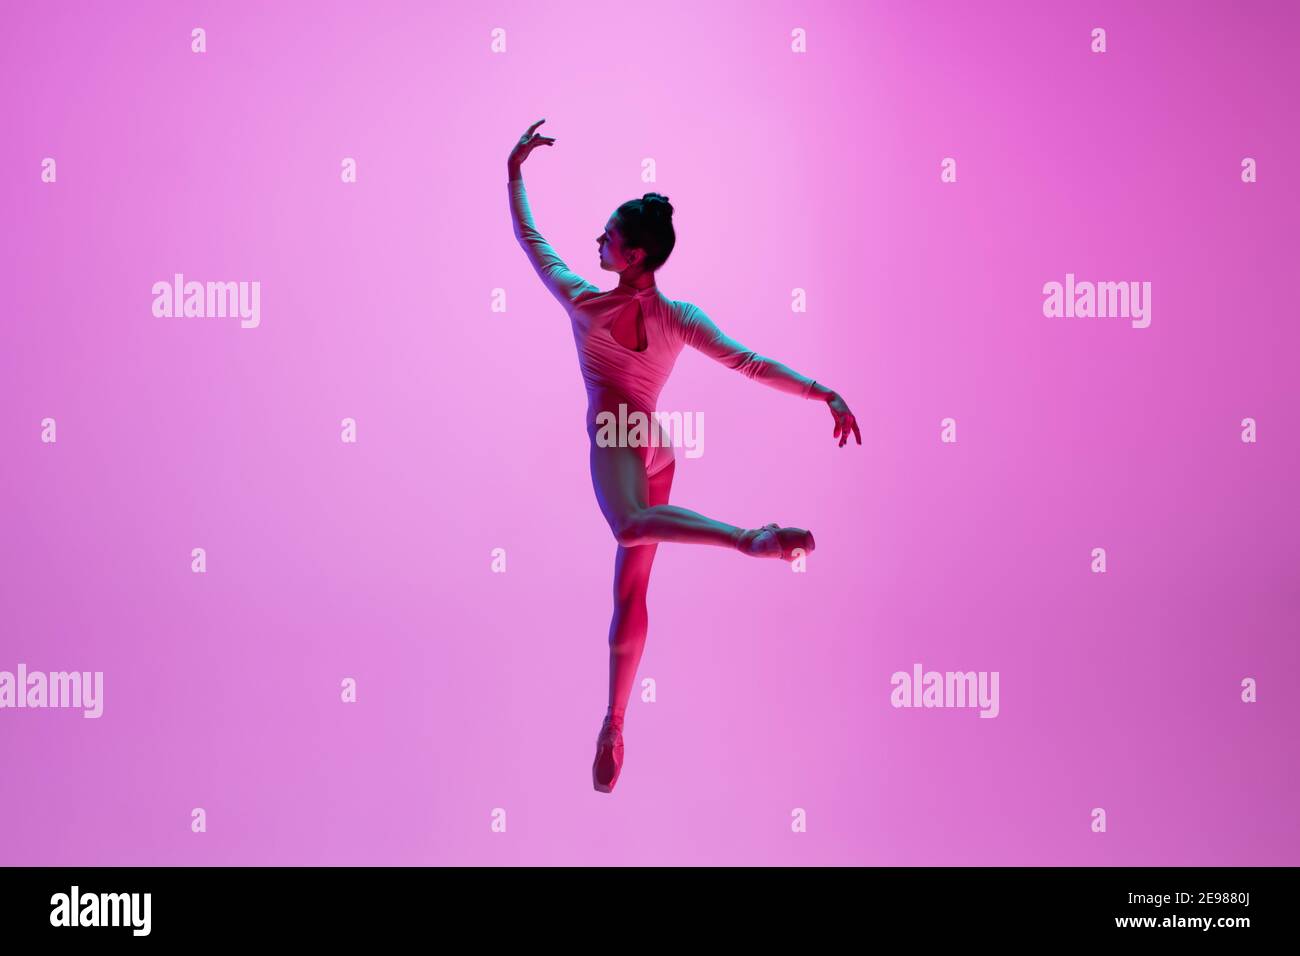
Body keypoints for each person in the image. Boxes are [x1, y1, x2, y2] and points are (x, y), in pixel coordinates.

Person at [506, 119, 861, 793]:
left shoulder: (583, 302)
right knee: (630, 591)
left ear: (634, 255)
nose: (598, 242)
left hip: (619, 439)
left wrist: (514, 175)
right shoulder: (681, 317)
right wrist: (824, 394)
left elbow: (531, 240)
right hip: (658, 451)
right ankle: (614, 722)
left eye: (608, 237)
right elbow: (751, 365)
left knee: (631, 529)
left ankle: (749, 538)